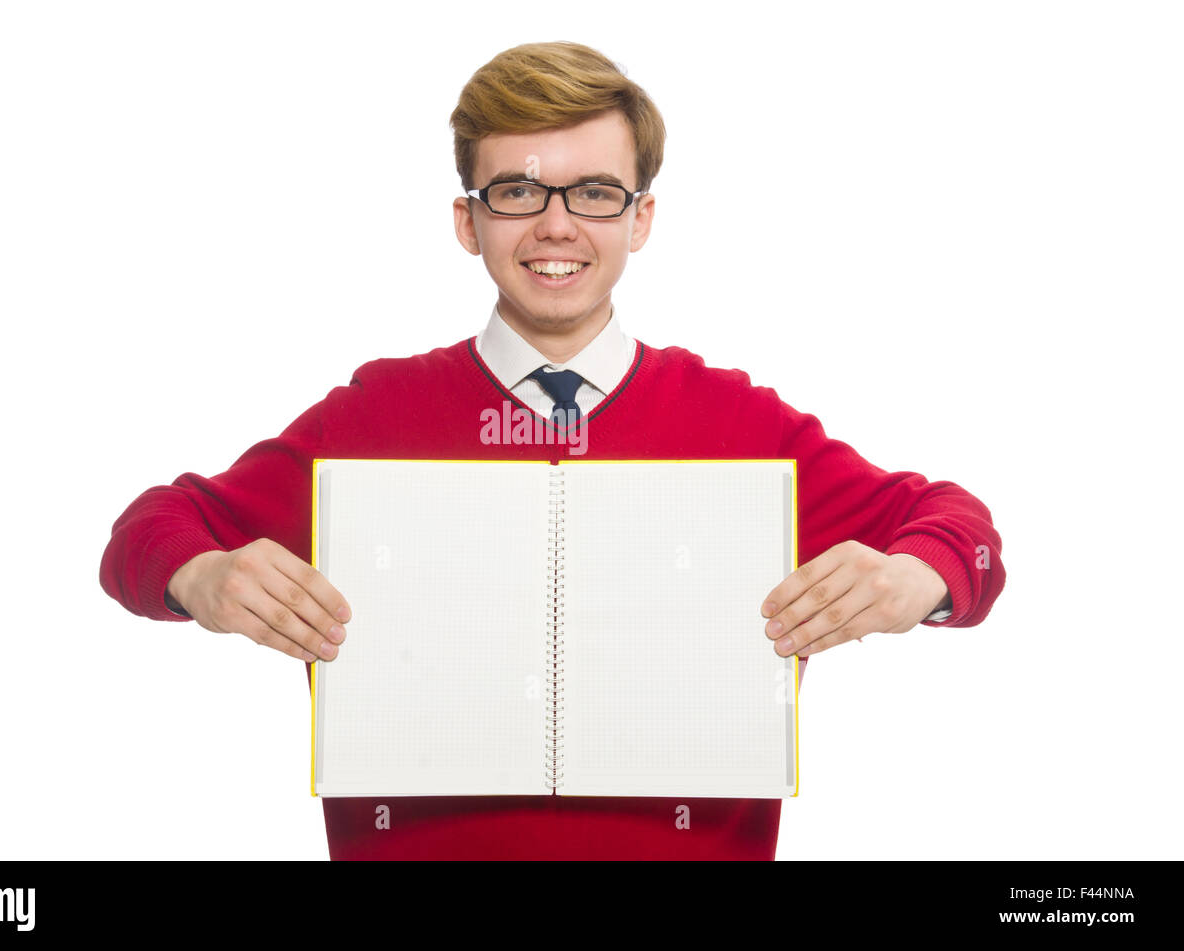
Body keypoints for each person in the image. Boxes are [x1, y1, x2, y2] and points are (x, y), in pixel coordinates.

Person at [100, 41, 1006, 859]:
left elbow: (964, 533)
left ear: (641, 217)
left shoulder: (742, 423)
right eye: (519, 192)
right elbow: (145, 531)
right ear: (469, 222)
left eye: (595, 193)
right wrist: (203, 578)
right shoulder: (374, 417)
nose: (556, 225)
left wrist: (914, 579)